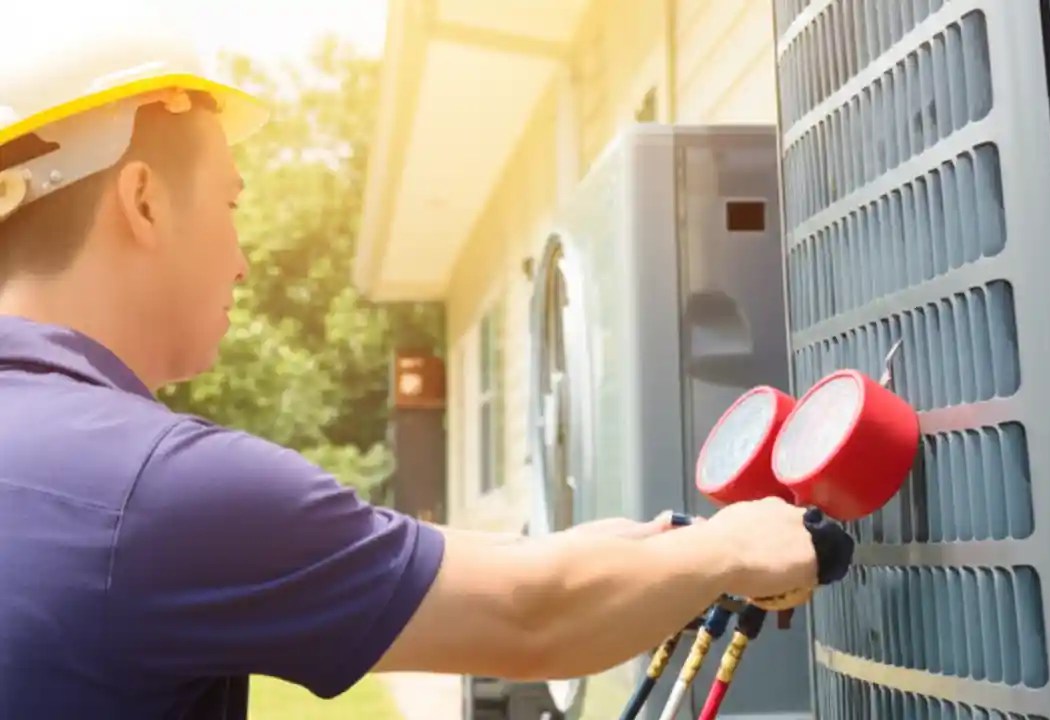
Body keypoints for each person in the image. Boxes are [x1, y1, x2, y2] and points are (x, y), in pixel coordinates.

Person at [0, 28, 823, 720]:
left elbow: (471, 564)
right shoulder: (156, 491)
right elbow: (532, 616)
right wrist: (737, 546)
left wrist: (656, 547)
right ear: (142, 201)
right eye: (230, 206)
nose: (244, 263)